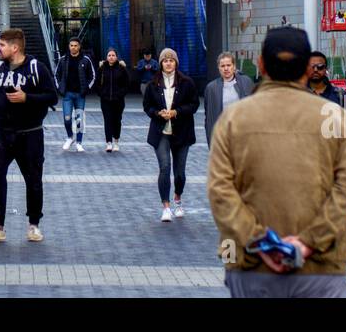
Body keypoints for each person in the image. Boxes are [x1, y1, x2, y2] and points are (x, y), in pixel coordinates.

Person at [207, 26, 346, 298]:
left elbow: (220, 191)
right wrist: (307, 243)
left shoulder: (233, 120)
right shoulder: (334, 117)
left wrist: (260, 240)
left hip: (251, 266)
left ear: (261, 64)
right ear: (307, 68)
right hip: (320, 269)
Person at [0, 27, 58, 243]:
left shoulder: (35, 68)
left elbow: (52, 97)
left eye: (2, 45)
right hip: (2, 134)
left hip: (29, 134)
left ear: (15, 47)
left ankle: (34, 225)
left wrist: (27, 98)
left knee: (33, 180)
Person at [144, 47, 200, 222]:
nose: (168, 63)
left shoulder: (187, 82)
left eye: (171, 60)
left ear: (176, 62)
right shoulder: (153, 84)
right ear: (160, 63)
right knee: (165, 167)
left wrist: (176, 112)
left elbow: (194, 105)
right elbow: (147, 106)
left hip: (181, 131)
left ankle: (177, 198)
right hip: (161, 132)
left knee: (179, 173)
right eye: (165, 60)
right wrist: (157, 113)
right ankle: (166, 206)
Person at [306, 51, 346, 172]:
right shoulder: (297, 96)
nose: (315, 70)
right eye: (311, 67)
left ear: (325, 69)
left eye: (319, 67)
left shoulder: (341, 96)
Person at [203, 51, 255, 147]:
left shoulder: (246, 82)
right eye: (222, 66)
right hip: (223, 133)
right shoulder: (211, 88)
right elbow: (208, 116)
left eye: (228, 65)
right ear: (218, 68)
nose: (226, 68)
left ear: (234, 66)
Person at [54, 38, 96, 152]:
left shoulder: (85, 60)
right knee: (67, 118)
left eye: (75, 45)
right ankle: (69, 137)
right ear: (69, 46)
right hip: (67, 95)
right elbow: (56, 74)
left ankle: (79, 142)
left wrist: (87, 88)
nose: (73, 47)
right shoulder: (63, 59)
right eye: (71, 45)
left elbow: (92, 75)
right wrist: (59, 88)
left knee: (79, 119)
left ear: (79, 46)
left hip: (80, 95)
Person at [95, 47, 132, 152]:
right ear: (106, 57)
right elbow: (97, 83)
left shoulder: (121, 68)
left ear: (116, 57)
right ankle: (109, 142)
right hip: (105, 100)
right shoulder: (102, 68)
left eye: (113, 55)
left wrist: (120, 94)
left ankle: (116, 140)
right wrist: (102, 94)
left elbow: (127, 84)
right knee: (107, 120)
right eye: (109, 55)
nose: (111, 57)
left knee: (117, 120)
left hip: (118, 100)